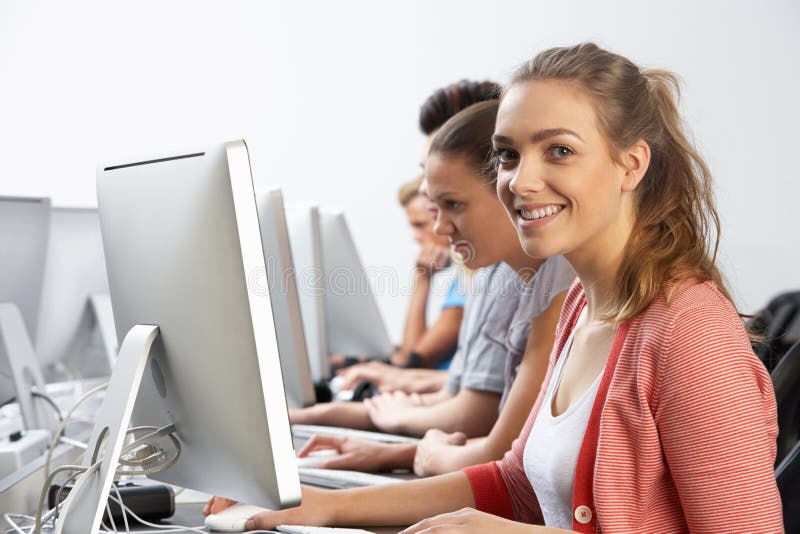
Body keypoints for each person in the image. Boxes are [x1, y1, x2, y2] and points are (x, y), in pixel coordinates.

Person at [206, 42, 783, 532]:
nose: (520, 181)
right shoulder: (586, 305)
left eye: (559, 150)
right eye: (508, 155)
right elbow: (514, 483)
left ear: (631, 165)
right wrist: (324, 508)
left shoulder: (690, 332)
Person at [298, 102, 574, 477]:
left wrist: (401, 430)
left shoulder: (553, 290)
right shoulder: (530, 283)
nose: (439, 226)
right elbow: (503, 445)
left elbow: (494, 442)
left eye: (452, 203)